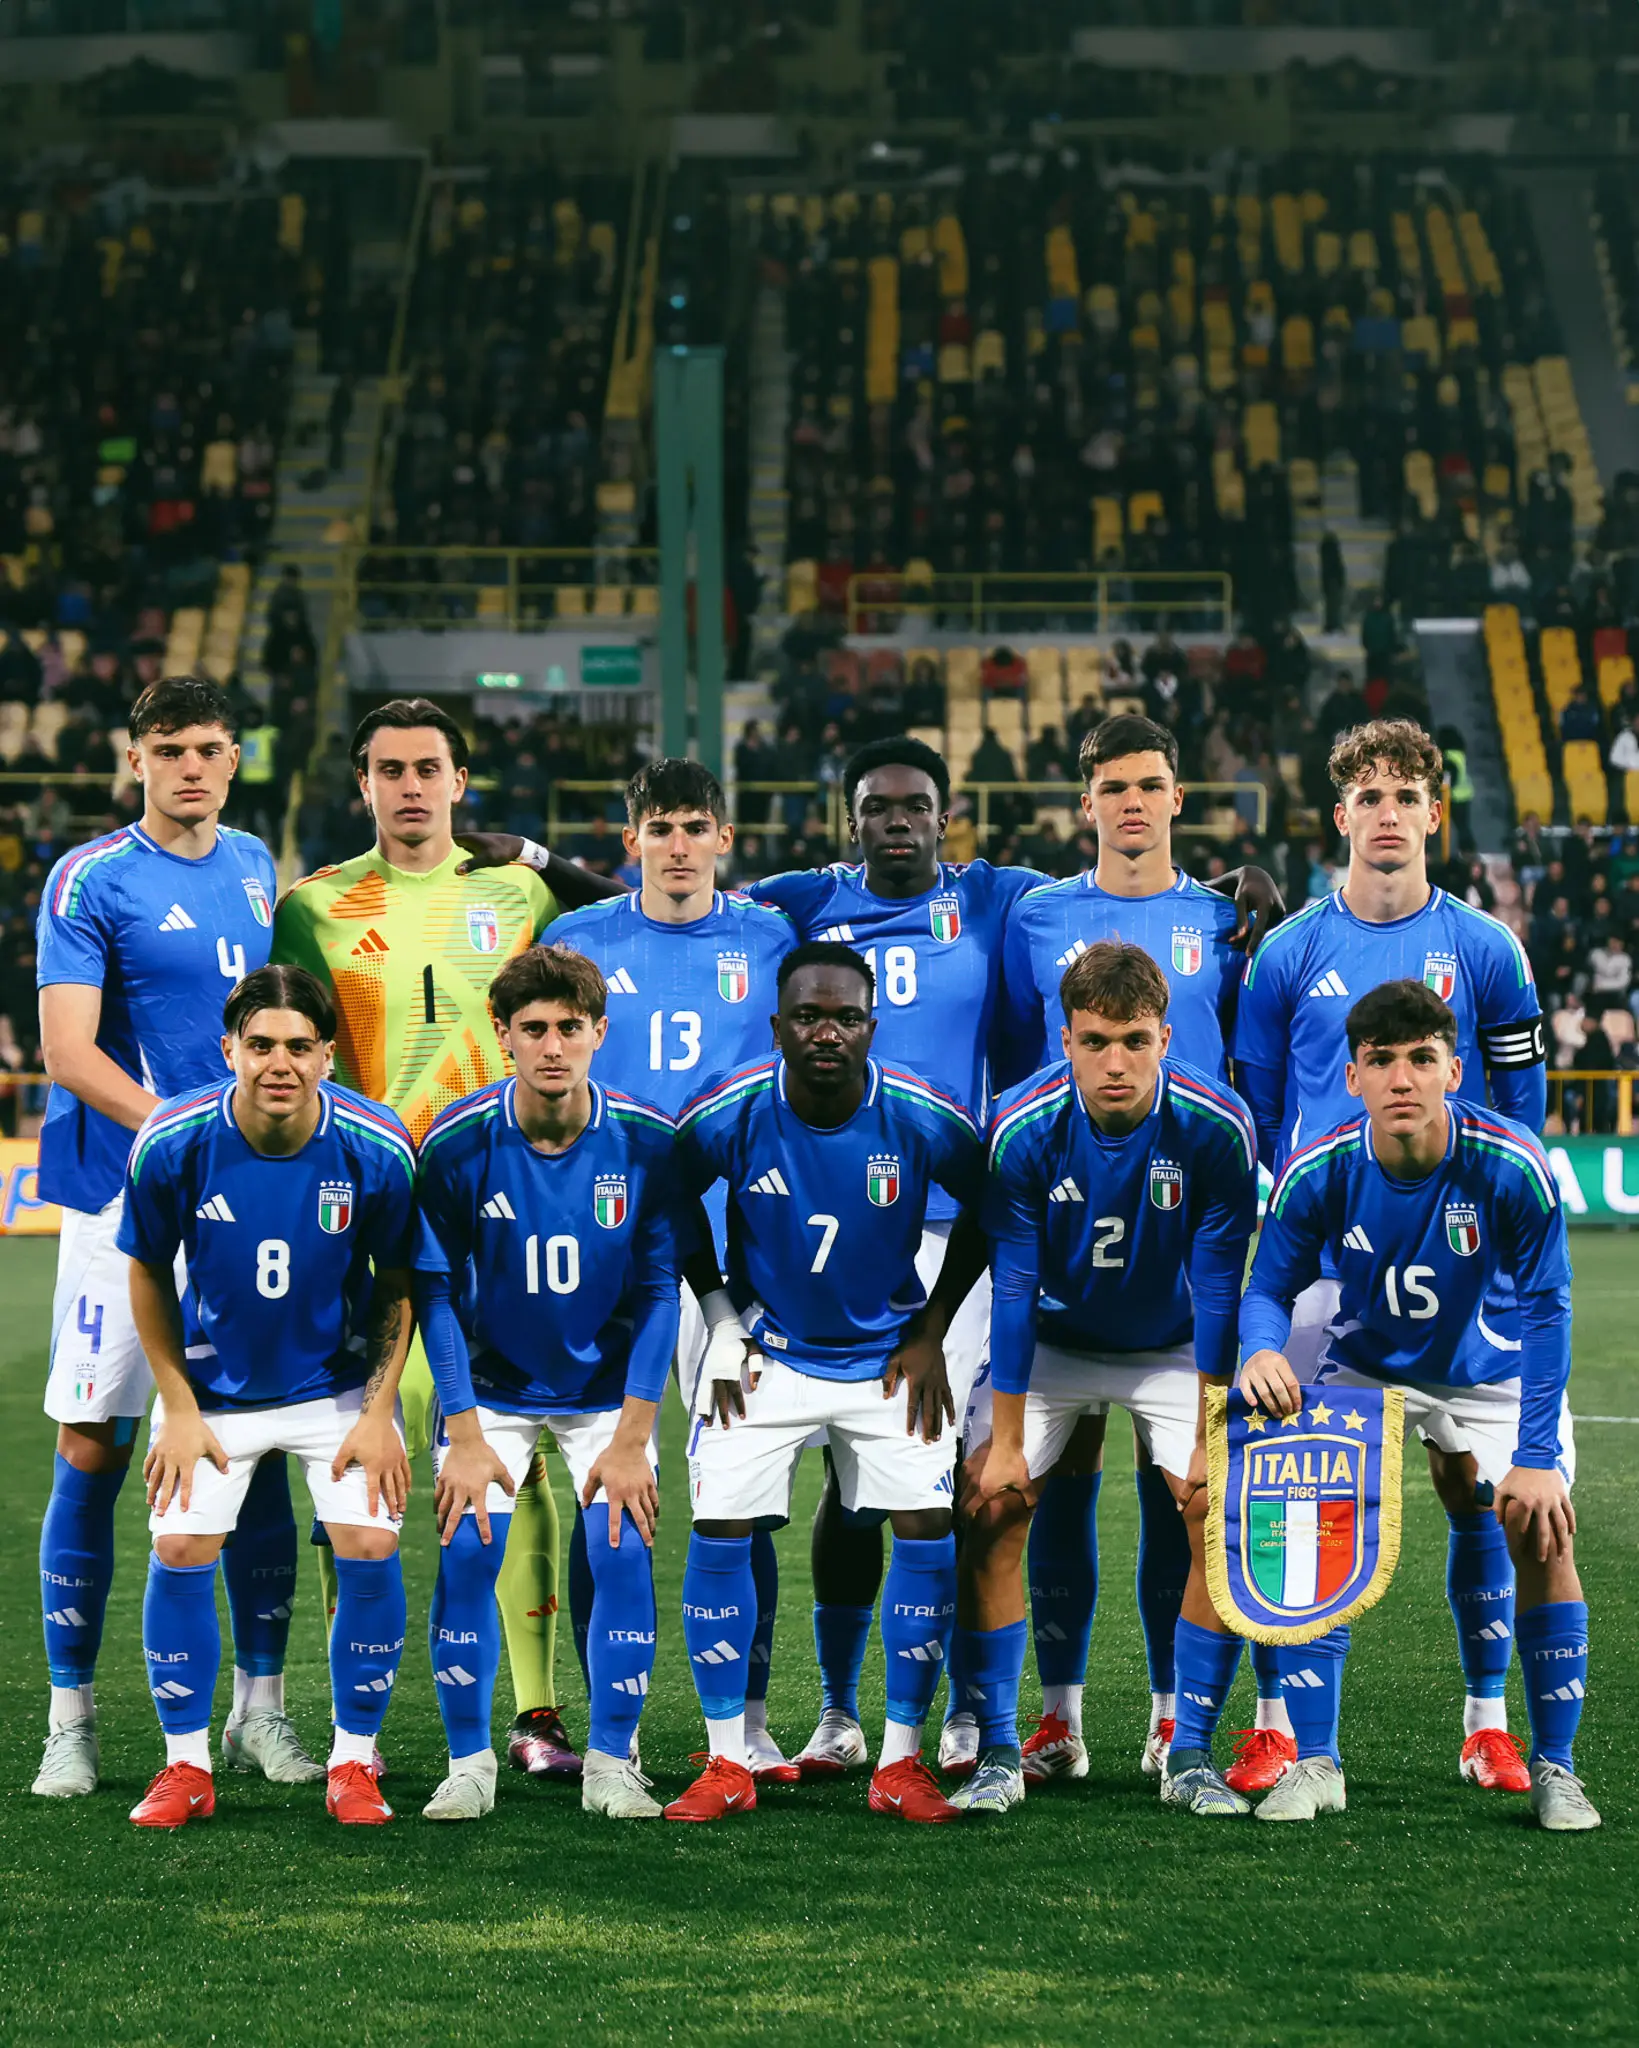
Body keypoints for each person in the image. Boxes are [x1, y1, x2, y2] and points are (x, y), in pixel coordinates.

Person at [272, 696, 621, 1779]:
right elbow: (290, 1045)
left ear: (460, 783)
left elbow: (630, 912)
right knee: (355, 1451)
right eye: (391, 769)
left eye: (429, 768)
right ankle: (358, 1727)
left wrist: (546, 857)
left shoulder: (518, 890)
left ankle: (536, 1712)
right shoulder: (312, 905)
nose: (411, 786)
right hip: (367, 1206)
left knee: (514, 1450)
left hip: (491, 1200)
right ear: (363, 784)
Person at [1234, 719, 1549, 1796]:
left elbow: (1522, 1113)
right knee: (1294, 1490)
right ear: (1340, 816)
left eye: (1405, 794)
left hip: (1457, 1264)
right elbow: (1260, 1110)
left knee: (1473, 1489)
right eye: (1366, 795)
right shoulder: (1288, 952)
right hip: (1327, 1266)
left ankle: (1486, 1723)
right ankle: (1279, 1727)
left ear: (1432, 814)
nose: (1385, 813)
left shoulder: (1486, 948)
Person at [994, 711, 1287, 1782]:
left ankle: (1177, 1717)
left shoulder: (1225, 915)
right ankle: (1055, 1719)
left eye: (1149, 784)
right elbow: (1012, 1050)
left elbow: (1253, 1058)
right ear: (1086, 802)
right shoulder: (1035, 915)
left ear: (1176, 797)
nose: (1131, 801)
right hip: (1073, 1209)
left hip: (1188, 1207)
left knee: (1190, 1493)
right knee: (1057, 1483)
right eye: (1111, 785)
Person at [1233, 979, 1597, 1832]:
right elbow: (1268, 1287)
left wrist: (1536, 1457)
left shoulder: (1509, 1162)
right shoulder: (1319, 1168)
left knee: (1540, 1527)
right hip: (1365, 1362)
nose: (1401, 1078)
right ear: (1351, 1076)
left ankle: (1556, 1766)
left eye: (1421, 1060)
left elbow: (1547, 1310)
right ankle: (1315, 1761)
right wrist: (1259, 1349)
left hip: (1490, 1372)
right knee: (1304, 1515)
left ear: (1453, 1071)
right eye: (1381, 1061)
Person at [32, 675, 307, 1800]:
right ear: (134, 758)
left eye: (208, 748)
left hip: (242, 1203)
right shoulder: (90, 876)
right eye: (168, 748)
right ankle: (71, 1719)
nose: (190, 766)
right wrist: (190, 1131)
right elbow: (67, 1052)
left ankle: (260, 1712)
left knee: (257, 1441)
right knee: (94, 1444)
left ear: (235, 758)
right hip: (121, 1200)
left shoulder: (254, 865)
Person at [668, 943, 987, 1825]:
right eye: (808, 1016)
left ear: (870, 1028)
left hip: (887, 1356)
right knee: (718, 1524)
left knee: (926, 1527)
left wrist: (931, 1331)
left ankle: (900, 1761)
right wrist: (719, 1317)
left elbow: (993, 1207)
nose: (826, 1033)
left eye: (845, 1018)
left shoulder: (922, 1114)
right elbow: (668, 1200)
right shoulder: (730, 1109)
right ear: (777, 1026)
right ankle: (727, 1758)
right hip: (765, 1353)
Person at [527, 759, 798, 1782]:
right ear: (630, 838)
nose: (677, 845)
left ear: (724, 837)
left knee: (741, 1489)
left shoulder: (769, 937)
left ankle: (751, 1721)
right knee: (610, 1483)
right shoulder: (579, 939)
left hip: (738, 1253)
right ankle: (618, 1730)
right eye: (659, 827)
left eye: (694, 827)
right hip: (612, 1242)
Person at [954, 943, 1258, 1818]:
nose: (1114, 1063)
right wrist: (1006, 1445)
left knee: (1218, 1510)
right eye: (1093, 1042)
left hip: (1172, 1345)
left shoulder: (1216, 1125)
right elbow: (1012, 1286)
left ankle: (1188, 1750)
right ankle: (1000, 1751)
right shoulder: (1021, 1125)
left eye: (1133, 1041)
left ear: (1165, 1037)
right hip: (1055, 1339)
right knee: (989, 1502)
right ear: (1065, 1041)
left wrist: (1208, 1437)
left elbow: (1217, 1290)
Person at [120, 966, 417, 1829]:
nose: (278, 1064)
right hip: (211, 1388)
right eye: (259, 1045)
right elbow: (146, 1271)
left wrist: (378, 1412)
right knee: (180, 1546)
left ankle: (353, 1761)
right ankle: (186, 1767)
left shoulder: (377, 1147)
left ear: (327, 1055)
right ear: (229, 1050)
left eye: (297, 1046)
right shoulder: (172, 1141)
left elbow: (398, 1283)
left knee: (369, 1540)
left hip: (338, 1386)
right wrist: (176, 1407)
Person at [414, 946, 678, 1824]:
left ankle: (611, 1761)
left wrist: (633, 1439)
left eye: (570, 1027)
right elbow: (435, 1294)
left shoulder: (647, 1141)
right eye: (533, 1029)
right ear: (503, 1035)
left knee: (622, 1547)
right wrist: (462, 1433)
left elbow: (658, 1291)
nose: (553, 1046)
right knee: (466, 1548)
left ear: (600, 1030)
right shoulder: (456, 1142)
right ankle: (467, 1765)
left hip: (606, 1390)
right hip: (490, 1384)